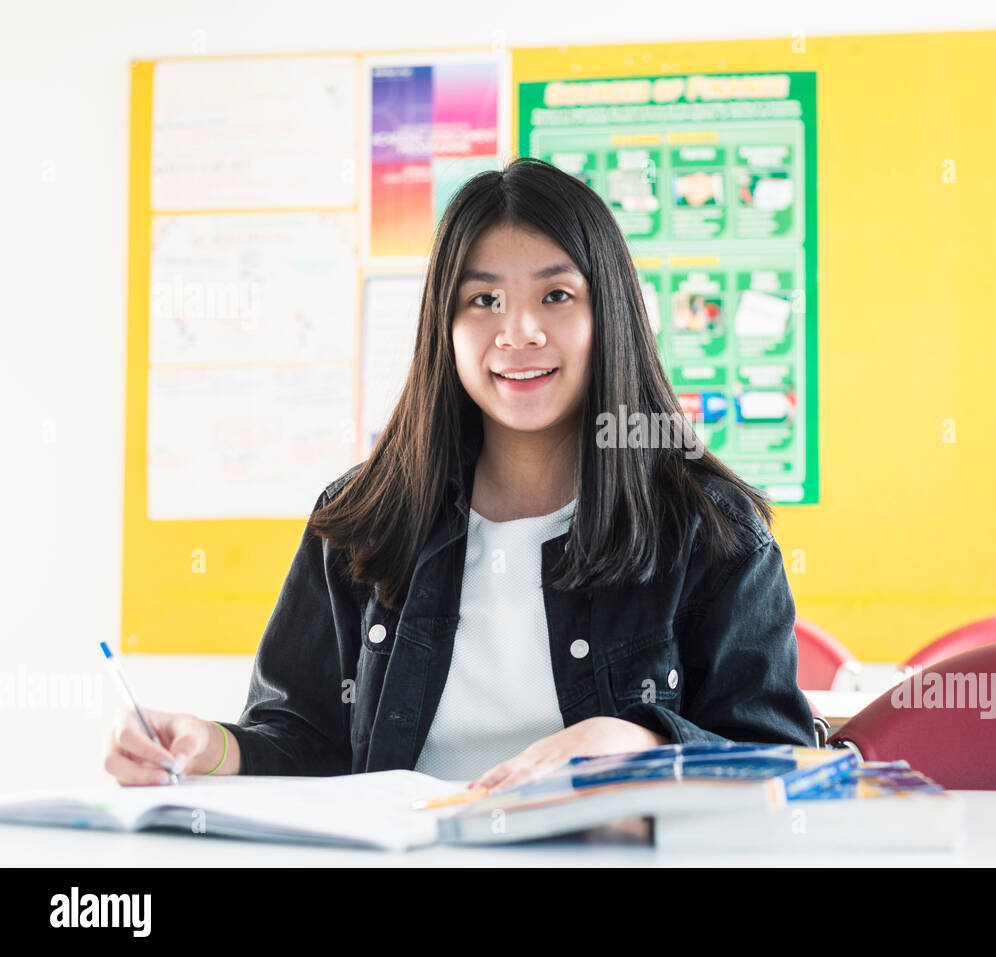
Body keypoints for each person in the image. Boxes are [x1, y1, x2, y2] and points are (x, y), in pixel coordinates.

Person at [104, 156, 816, 792]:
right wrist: (213, 747)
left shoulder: (708, 527)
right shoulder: (364, 518)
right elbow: (304, 736)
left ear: (612, 314)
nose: (518, 332)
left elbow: (780, 759)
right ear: (443, 326)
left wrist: (645, 740)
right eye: (484, 301)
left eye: (556, 296)